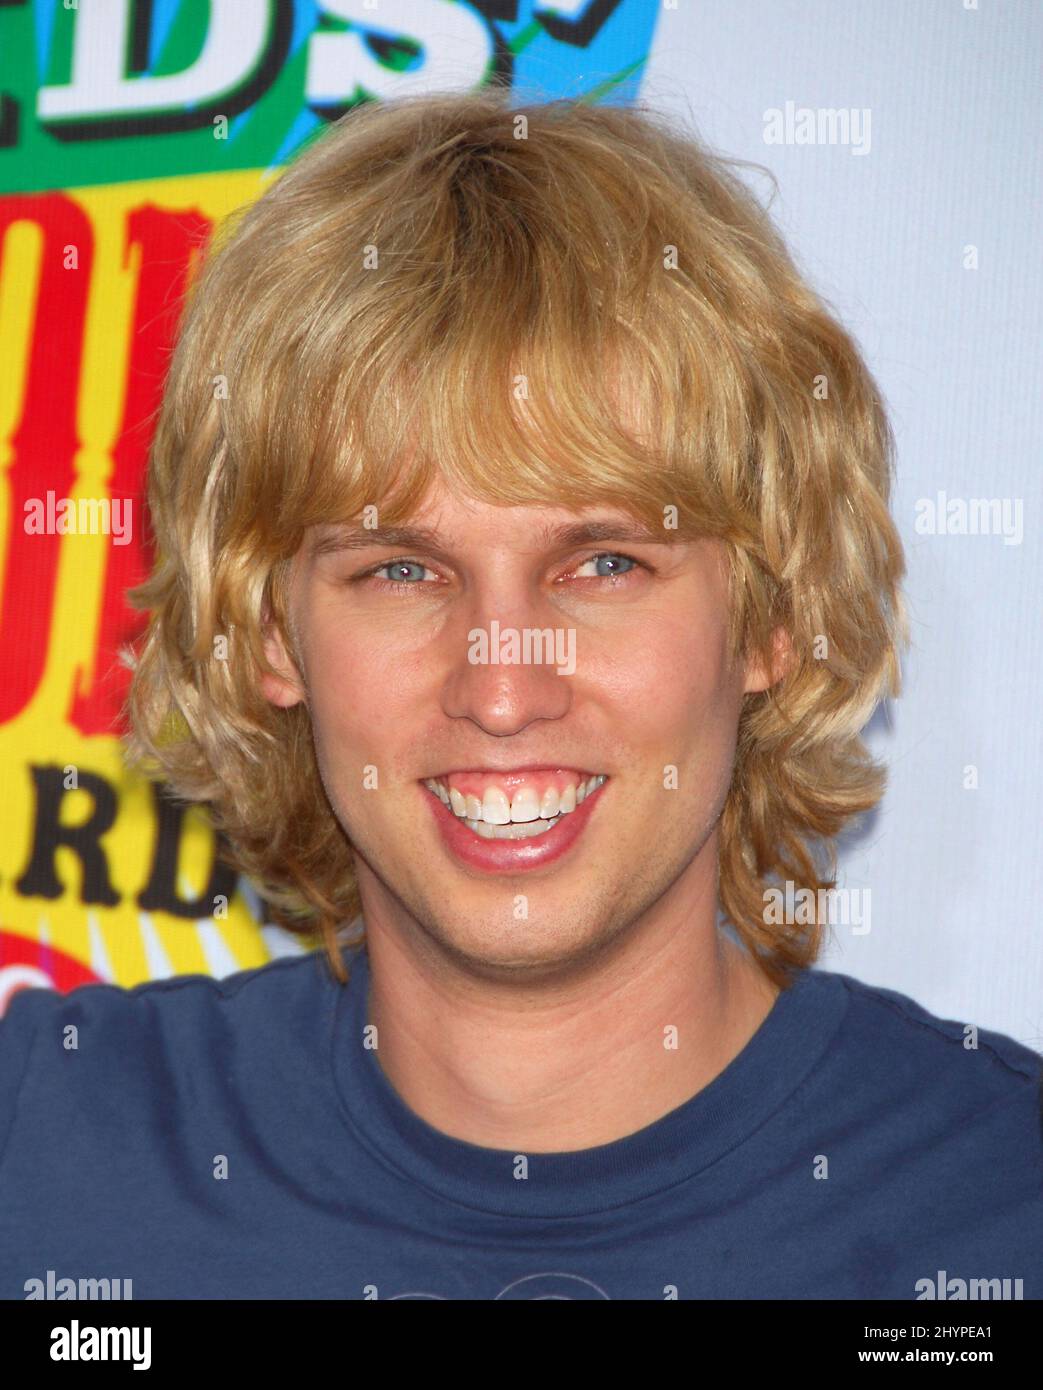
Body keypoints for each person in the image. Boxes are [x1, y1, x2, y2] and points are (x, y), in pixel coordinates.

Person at [2, 88, 1039, 1302]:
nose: (500, 688)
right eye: (400, 569)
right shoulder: (42, 1157)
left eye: (604, 564)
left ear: (770, 615)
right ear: (264, 630)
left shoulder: (998, 1205)